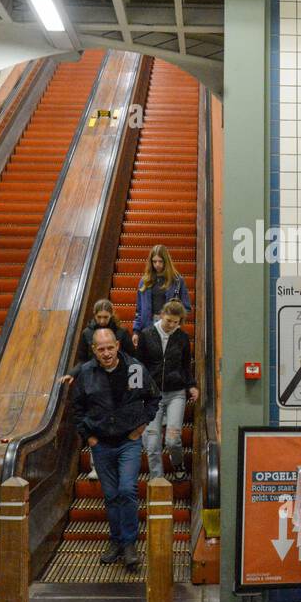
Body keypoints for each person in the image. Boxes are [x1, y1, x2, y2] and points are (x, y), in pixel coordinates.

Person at [70, 326, 160, 569]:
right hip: (100, 444)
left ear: (118, 346)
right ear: (94, 350)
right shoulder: (87, 373)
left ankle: (130, 544)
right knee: (111, 496)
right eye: (101, 349)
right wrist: (88, 437)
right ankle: (116, 540)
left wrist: (141, 426)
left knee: (127, 490)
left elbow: (152, 398)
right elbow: (77, 408)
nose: (107, 353)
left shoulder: (134, 369)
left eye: (110, 347)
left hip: (127, 442)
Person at [135, 300, 198, 479]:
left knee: (172, 439)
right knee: (153, 443)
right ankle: (157, 480)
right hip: (152, 396)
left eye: (175, 322)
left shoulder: (182, 338)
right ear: (162, 315)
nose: (171, 325)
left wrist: (191, 385)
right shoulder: (147, 335)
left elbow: (186, 366)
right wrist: (136, 390)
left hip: (176, 394)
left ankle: (178, 464)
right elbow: (138, 365)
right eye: (168, 320)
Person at [132, 244, 191, 347]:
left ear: (166, 261)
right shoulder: (144, 281)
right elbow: (139, 310)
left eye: (160, 261)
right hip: (149, 325)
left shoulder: (177, 281)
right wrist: (136, 331)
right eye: (154, 261)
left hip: (170, 324)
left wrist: (176, 321)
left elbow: (186, 307)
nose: (157, 265)